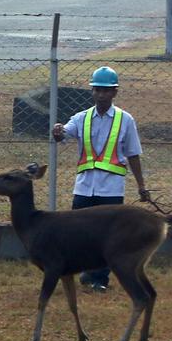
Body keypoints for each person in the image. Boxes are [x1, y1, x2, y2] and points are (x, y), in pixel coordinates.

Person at [51, 66, 151, 293]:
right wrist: (58, 131)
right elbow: (64, 133)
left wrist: (141, 186)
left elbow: (133, 154)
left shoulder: (125, 120)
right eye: (97, 90)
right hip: (85, 187)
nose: (101, 95)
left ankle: (100, 278)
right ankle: (82, 272)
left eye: (106, 91)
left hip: (111, 189)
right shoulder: (82, 118)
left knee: (108, 237)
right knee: (78, 233)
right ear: (92, 91)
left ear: (114, 92)